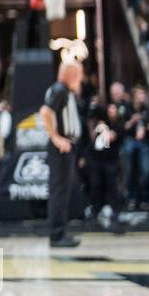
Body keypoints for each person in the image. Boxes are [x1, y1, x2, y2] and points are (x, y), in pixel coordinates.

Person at [39, 59, 85, 247]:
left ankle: (60, 233)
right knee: (59, 191)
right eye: (79, 75)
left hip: (66, 147)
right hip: (61, 147)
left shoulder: (64, 90)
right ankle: (57, 235)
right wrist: (56, 137)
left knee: (63, 191)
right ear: (72, 74)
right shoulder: (60, 89)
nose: (80, 79)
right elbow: (45, 112)